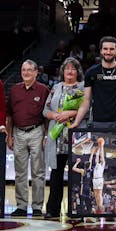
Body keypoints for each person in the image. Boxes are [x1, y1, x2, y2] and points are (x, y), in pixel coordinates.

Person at [7, 59, 50, 217]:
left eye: (29, 70)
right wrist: (9, 135)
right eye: (24, 70)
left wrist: (46, 135)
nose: (26, 73)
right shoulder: (14, 90)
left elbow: (47, 116)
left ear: (36, 72)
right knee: (20, 172)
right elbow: (10, 115)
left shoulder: (43, 90)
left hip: (37, 131)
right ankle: (21, 206)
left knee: (38, 171)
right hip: (18, 132)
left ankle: (38, 206)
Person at [43, 58, 85, 218]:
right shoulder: (55, 87)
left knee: (76, 175)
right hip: (57, 137)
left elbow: (88, 109)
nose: (70, 71)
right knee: (56, 174)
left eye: (73, 68)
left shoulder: (83, 88)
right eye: (67, 68)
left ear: (77, 71)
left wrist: (71, 113)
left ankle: (76, 209)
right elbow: (45, 110)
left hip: (76, 137)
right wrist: (55, 115)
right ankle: (53, 209)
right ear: (63, 71)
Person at [73, 36, 116, 129]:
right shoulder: (91, 72)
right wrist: (76, 122)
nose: (108, 52)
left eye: (112, 49)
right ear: (101, 51)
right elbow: (86, 100)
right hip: (98, 122)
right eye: (105, 49)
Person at [91, 139, 106, 214]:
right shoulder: (97, 164)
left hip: (99, 179)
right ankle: (98, 206)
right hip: (95, 180)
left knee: (99, 194)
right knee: (96, 194)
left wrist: (102, 146)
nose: (100, 158)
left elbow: (101, 155)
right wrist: (98, 148)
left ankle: (100, 206)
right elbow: (97, 155)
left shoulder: (102, 164)